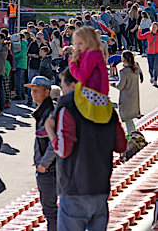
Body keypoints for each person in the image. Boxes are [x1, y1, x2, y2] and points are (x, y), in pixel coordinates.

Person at [46, 68, 126, 230]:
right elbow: (121, 146)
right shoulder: (106, 108)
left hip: (74, 189)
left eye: (63, 87)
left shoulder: (67, 107)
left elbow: (63, 149)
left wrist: (50, 131)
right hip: (100, 188)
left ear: (74, 85)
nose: (63, 92)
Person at [24, 76, 57, 231]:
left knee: (51, 211)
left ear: (47, 92)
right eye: (32, 90)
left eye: (37, 90)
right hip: (51, 167)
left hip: (50, 170)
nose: (33, 93)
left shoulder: (48, 113)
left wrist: (43, 164)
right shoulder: (44, 111)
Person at [69, 26, 113, 124]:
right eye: (75, 44)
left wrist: (73, 63)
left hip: (94, 95)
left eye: (80, 43)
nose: (77, 47)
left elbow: (82, 76)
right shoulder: (91, 53)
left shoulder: (90, 54)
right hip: (96, 94)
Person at [115, 50, 142, 134]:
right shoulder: (136, 67)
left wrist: (114, 85)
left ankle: (132, 137)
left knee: (128, 120)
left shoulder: (124, 72)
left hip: (126, 98)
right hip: (134, 96)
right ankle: (133, 135)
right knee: (130, 119)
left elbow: (120, 86)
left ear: (124, 59)